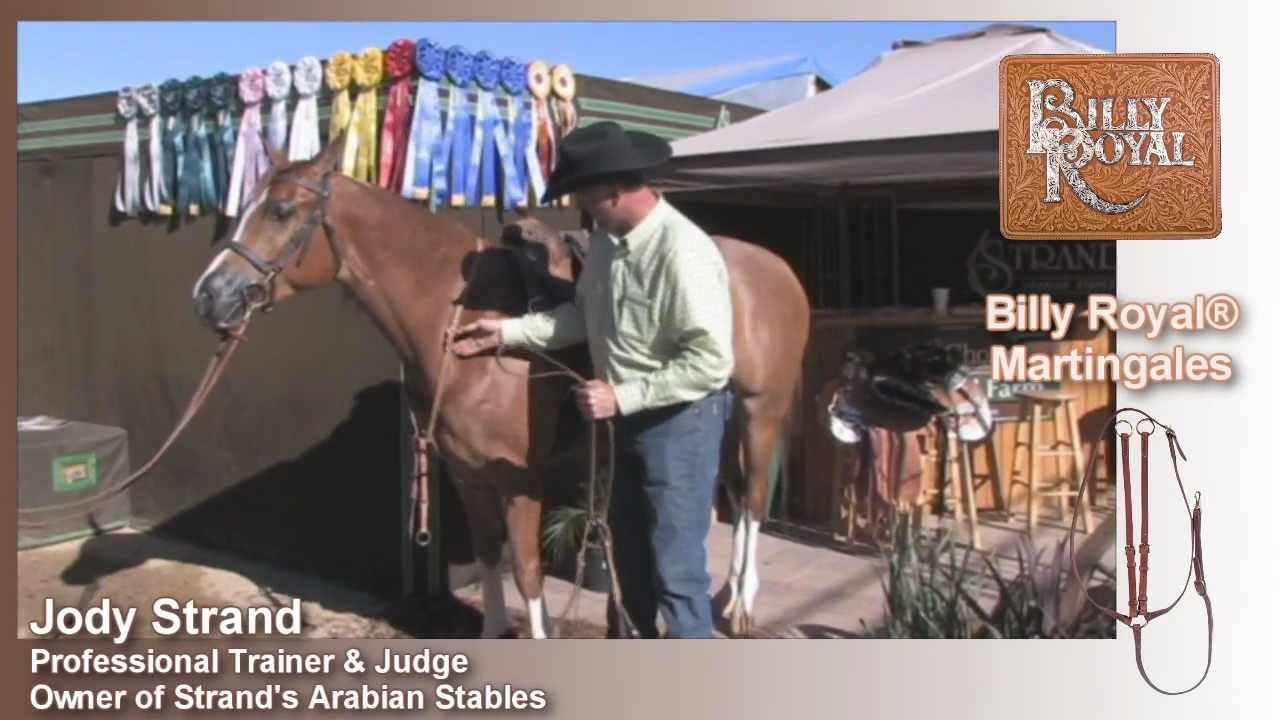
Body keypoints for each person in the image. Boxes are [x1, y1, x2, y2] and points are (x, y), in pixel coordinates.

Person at [452, 121, 734, 639]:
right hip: (623, 422)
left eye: (583, 195)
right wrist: (506, 332)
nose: (580, 205)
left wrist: (622, 394)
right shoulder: (607, 244)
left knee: (675, 571)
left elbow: (711, 362)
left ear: (612, 192)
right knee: (630, 567)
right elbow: (582, 320)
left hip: (680, 424)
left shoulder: (682, 252)